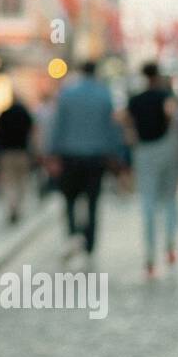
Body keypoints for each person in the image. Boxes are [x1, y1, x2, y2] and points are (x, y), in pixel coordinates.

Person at [47, 61, 124, 262]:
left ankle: (73, 235)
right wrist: (116, 154)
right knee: (92, 202)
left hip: (70, 156)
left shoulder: (67, 94)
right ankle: (89, 244)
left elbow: (58, 126)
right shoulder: (104, 95)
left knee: (70, 199)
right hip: (96, 158)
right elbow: (112, 129)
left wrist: (53, 153)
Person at [124, 62, 178, 277]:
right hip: (165, 149)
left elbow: (125, 121)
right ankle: (170, 245)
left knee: (147, 202)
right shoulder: (165, 96)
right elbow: (171, 115)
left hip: (144, 152)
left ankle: (149, 256)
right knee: (169, 200)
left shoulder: (135, 100)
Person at [0, 97, 34, 225]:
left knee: (9, 182)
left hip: (7, 153)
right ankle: (17, 207)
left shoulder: (4, 114)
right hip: (22, 152)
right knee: (21, 182)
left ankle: (12, 206)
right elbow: (32, 131)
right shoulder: (25, 114)